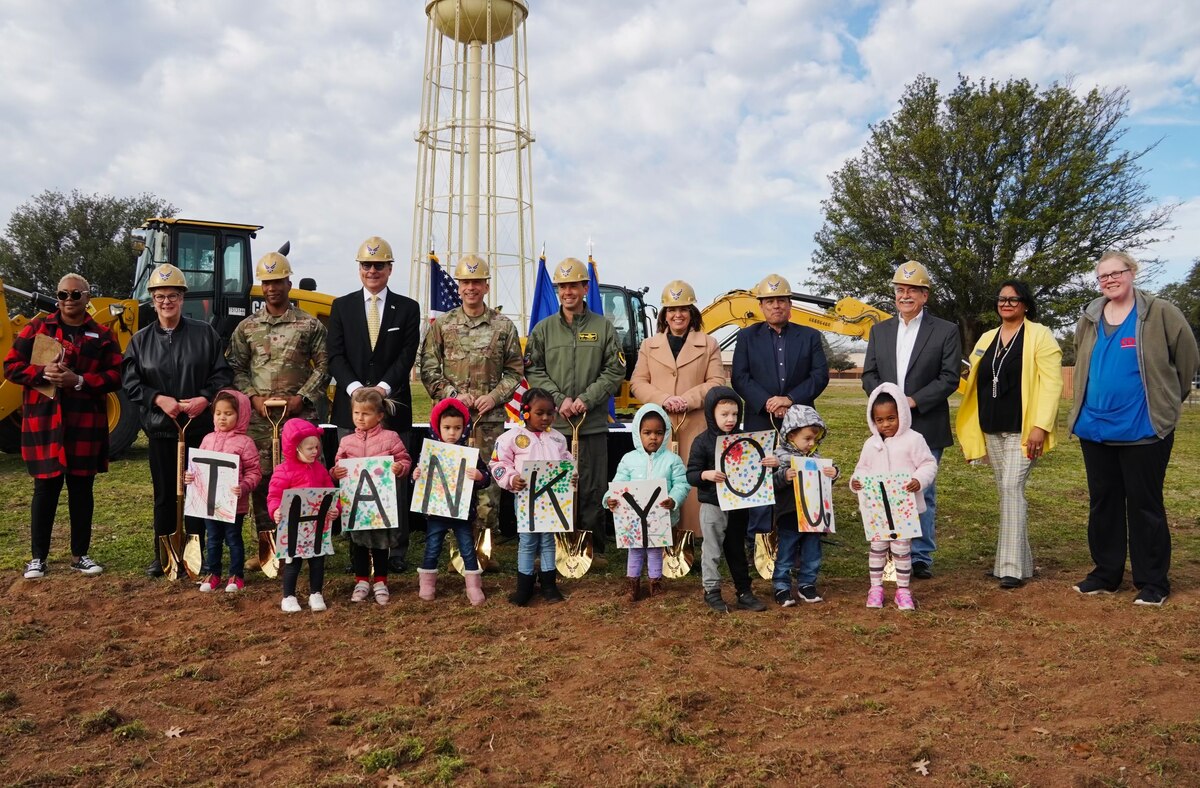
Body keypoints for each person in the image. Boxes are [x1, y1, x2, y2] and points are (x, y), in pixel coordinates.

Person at [1068, 251, 1199, 606]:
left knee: (1144, 505)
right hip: (1095, 429)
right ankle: (1106, 573)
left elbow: (1186, 358)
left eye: (1116, 273)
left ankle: (1153, 581)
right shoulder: (1090, 316)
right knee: (1103, 503)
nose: (1109, 280)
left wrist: (1168, 399)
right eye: (1102, 276)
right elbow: (1082, 357)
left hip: (1143, 429)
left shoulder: (1160, 312)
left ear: (1132, 273)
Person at [4, 273, 123, 579]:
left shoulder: (103, 334)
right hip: (45, 423)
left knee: (82, 490)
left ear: (87, 297)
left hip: (86, 424)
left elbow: (117, 376)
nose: (68, 300)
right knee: (45, 489)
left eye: (75, 294)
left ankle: (80, 555)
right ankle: (37, 558)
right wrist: (42, 372)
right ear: (57, 298)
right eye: (62, 294)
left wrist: (79, 381)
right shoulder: (37, 328)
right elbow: (11, 367)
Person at [122, 264, 232, 577]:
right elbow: (130, 382)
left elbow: (222, 373)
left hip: (199, 430)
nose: (166, 302)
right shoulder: (140, 341)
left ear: (183, 298)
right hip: (161, 430)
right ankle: (165, 554)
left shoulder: (204, 333)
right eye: (159, 296)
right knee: (165, 495)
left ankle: (200, 555)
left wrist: (205, 399)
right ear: (153, 300)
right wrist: (158, 399)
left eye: (172, 295)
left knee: (200, 494)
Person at [956, 281, 1063, 589]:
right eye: (1002, 299)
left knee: (1011, 488)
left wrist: (1040, 427)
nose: (1006, 303)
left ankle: (1010, 568)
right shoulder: (988, 338)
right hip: (991, 427)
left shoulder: (1040, 335)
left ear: (1025, 304)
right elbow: (973, 376)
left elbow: (1052, 384)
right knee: (1007, 493)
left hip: (1024, 430)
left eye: (1013, 299)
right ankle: (1021, 563)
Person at [418, 254, 522, 570]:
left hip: (489, 421)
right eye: (466, 282)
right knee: (453, 485)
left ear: (486, 286)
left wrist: (494, 397)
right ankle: (456, 553)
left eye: (477, 282)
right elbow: (428, 367)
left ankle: (483, 552)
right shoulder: (443, 325)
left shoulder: (503, 326)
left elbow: (515, 370)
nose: (471, 288)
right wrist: (452, 397)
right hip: (454, 424)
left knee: (487, 485)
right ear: (459, 286)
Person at [226, 251, 329, 564]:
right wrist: (252, 398)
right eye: (267, 282)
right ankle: (268, 548)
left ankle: (306, 543)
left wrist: (303, 397)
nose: (272, 288)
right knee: (264, 480)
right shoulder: (247, 327)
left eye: (278, 282)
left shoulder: (308, 325)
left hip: (298, 419)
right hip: (261, 419)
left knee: (305, 478)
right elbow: (236, 366)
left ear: (289, 282)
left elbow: (324, 365)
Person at [327, 236, 421, 574]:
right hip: (349, 410)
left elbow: (407, 354)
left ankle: (395, 548)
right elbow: (334, 354)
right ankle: (358, 547)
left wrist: (381, 390)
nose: (372, 270)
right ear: (359, 269)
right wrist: (355, 390)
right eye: (366, 265)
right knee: (353, 481)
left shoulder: (408, 308)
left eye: (378, 265)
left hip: (392, 408)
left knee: (394, 479)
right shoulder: (342, 306)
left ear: (389, 269)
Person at [861, 261, 960, 579]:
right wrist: (886, 405)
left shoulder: (946, 331)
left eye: (912, 290)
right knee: (887, 487)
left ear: (924, 295)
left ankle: (920, 557)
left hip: (926, 422)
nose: (905, 296)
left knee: (922, 491)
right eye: (900, 290)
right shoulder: (880, 331)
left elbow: (949, 378)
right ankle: (889, 552)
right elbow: (869, 374)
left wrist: (912, 402)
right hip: (888, 426)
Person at [524, 257, 625, 566]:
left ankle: (590, 549)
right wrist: (558, 399)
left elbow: (615, 369)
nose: (568, 291)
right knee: (553, 490)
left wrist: (587, 399)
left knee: (592, 488)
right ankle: (553, 548)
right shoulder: (543, 330)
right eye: (562, 286)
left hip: (591, 424)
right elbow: (533, 370)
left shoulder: (603, 327)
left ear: (585, 287)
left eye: (574, 285)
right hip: (551, 429)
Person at [732, 274, 829, 539]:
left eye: (782, 300)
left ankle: (799, 537)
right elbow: (739, 377)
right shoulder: (747, 337)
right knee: (762, 477)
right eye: (770, 301)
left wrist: (790, 399)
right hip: (760, 420)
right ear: (762, 306)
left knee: (799, 474)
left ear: (790, 304)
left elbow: (819, 375)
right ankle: (760, 539)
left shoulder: (809, 336)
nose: (776, 306)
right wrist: (767, 402)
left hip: (800, 424)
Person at [629, 280, 725, 536]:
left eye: (683, 309)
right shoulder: (649, 345)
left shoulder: (709, 343)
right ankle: (659, 535)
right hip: (659, 427)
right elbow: (637, 382)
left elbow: (717, 381)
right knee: (661, 478)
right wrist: (663, 399)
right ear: (664, 315)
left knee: (692, 479)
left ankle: (694, 535)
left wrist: (688, 399)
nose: (677, 315)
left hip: (695, 425)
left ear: (692, 312)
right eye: (671, 310)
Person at [851, 383, 939, 611]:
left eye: (891, 418)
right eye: (880, 420)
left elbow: (928, 463)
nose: (886, 424)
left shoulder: (914, 439)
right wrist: (856, 482)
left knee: (902, 549)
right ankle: (875, 589)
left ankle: (902, 591)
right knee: (877, 547)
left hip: (903, 509)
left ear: (901, 413)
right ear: (873, 420)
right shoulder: (871, 444)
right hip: (877, 509)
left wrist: (919, 479)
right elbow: (862, 469)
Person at [686, 386, 771, 613]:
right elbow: (691, 474)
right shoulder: (702, 441)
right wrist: (706, 475)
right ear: (711, 414)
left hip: (738, 505)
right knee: (712, 549)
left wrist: (767, 462)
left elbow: (755, 467)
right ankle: (711, 592)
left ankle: (744, 592)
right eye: (724, 414)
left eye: (735, 414)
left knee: (736, 550)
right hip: (713, 505)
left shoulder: (744, 440)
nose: (730, 419)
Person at [490, 388, 574, 606]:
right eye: (540, 413)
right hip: (526, 499)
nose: (545, 418)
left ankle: (548, 584)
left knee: (548, 540)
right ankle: (524, 587)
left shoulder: (557, 439)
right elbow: (498, 463)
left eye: (550, 413)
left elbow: (566, 462)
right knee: (527, 541)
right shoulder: (511, 438)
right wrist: (511, 478)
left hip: (551, 501)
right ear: (525, 412)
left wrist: (570, 477)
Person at [331, 388, 412, 606]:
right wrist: (336, 472)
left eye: (365, 413)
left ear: (379, 415)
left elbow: (405, 460)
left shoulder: (390, 438)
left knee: (380, 543)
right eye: (356, 413)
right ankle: (361, 581)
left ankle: (381, 582)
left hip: (381, 505)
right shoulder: (347, 442)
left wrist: (400, 468)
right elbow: (338, 465)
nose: (360, 418)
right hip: (357, 504)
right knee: (358, 542)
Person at [605, 403, 691, 602]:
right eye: (647, 432)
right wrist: (609, 499)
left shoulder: (672, 460)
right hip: (633, 518)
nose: (653, 437)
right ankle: (632, 585)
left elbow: (682, 484)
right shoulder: (629, 459)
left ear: (666, 434)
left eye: (659, 433)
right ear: (638, 433)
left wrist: (674, 499)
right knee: (634, 550)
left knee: (654, 549)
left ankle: (655, 584)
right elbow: (618, 482)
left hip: (660, 517)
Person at [412, 398, 492, 605]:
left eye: (457, 428)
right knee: (433, 546)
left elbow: (486, 477)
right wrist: (416, 475)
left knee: (467, 547)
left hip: (462, 512)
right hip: (436, 512)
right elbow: (419, 484)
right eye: (447, 427)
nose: (452, 433)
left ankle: (473, 586)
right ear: (437, 427)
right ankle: (427, 584)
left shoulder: (469, 454)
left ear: (464, 429)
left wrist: (479, 476)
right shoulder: (430, 452)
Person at [184, 390, 263, 593]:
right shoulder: (208, 439)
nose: (222, 418)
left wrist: (244, 486)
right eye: (218, 413)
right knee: (213, 538)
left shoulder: (245, 443)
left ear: (241, 415)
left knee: (233, 538)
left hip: (234, 505)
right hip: (209, 503)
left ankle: (236, 575)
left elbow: (255, 471)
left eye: (228, 413)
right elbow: (197, 467)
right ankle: (213, 573)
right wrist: (190, 477)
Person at [770, 405, 839, 606]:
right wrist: (784, 476)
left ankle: (807, 584)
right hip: (789, 514)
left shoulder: (816, 458)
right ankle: (781, 586)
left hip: (813, 515)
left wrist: (833, 474)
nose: (811, 443)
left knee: (812, 551)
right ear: (791, 435)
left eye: (814, 439)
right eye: (807, 438)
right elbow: (770, 484)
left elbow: (825, 482)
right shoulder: (778, 458)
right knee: (786, 551)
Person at [269, 419, 340, 613]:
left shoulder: (320, 469)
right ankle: (288, 596)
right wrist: (275, 510)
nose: (314, 452)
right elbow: (274, 496)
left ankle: (316, 593)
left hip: (316, 528)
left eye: (316, 447)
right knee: (293, 562)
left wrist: (335, 508)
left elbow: (330, 491)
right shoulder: (283, 471)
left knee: (317, 561)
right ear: (295, 448)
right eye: (309, 448)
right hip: (293, 529)